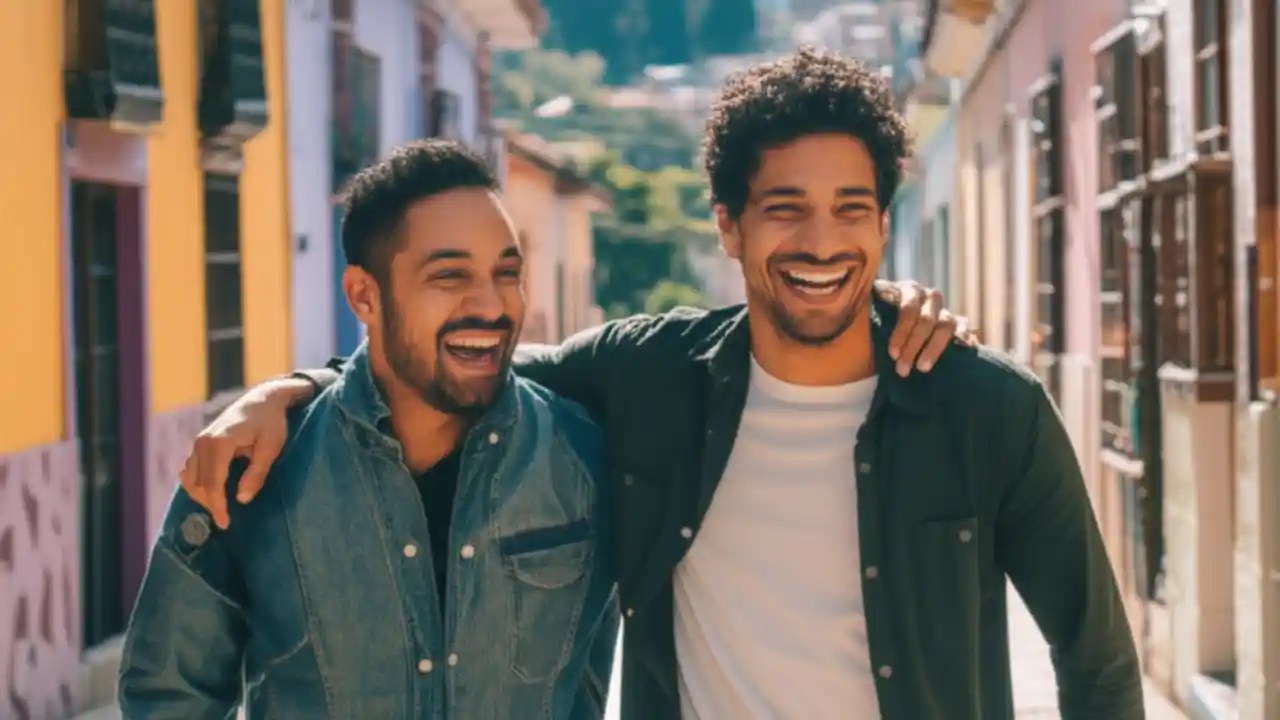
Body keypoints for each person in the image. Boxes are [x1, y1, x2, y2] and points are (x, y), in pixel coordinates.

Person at [180, 48, 1145, 720]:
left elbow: (1096, 662)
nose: (821, 242)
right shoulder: (650, 377)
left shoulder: (989, 410)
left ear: (882, 226)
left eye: (851, 209)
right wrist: (295, 391)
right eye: (785, 210)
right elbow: (462, 365)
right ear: (728, 226)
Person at [119, 142, 618, 718]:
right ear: (364, 295)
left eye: (506, 273)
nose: (491, 305)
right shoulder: (255, 471)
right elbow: (169, 699)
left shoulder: (582, 457)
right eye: (449, 275)